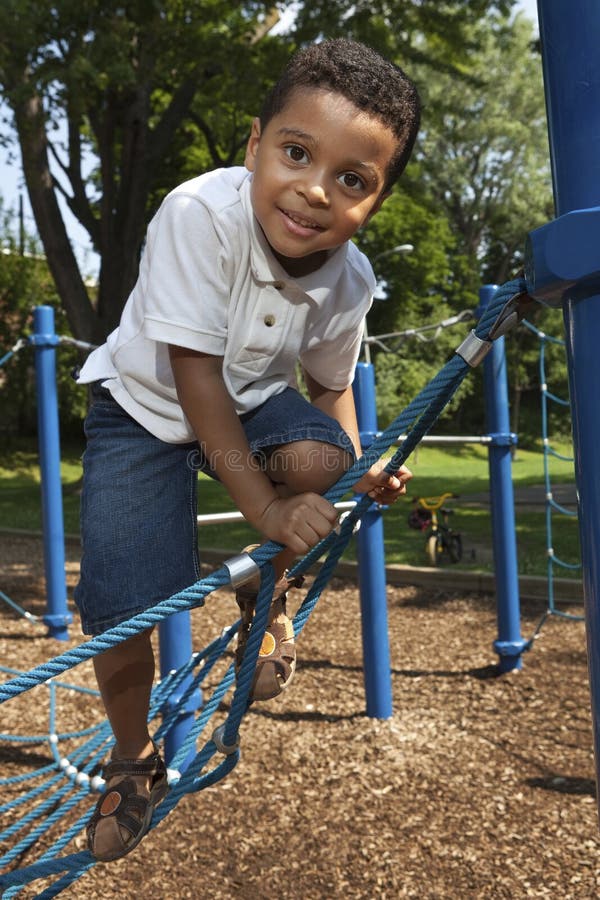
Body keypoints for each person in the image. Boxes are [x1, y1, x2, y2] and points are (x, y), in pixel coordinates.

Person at [75, 37, 421, 862]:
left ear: (375, 201)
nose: (313, 190)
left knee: (324, 458)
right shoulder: (200, 215)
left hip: (254, 402)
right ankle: (132, 760)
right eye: (296, 153)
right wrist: (264, 504)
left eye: (352, 179)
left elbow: (330, 386)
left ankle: (266, 593)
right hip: (145, 407)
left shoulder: (351, 278)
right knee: (126, 605)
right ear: (253, 144)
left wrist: (354, 460)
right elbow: (194, 380)